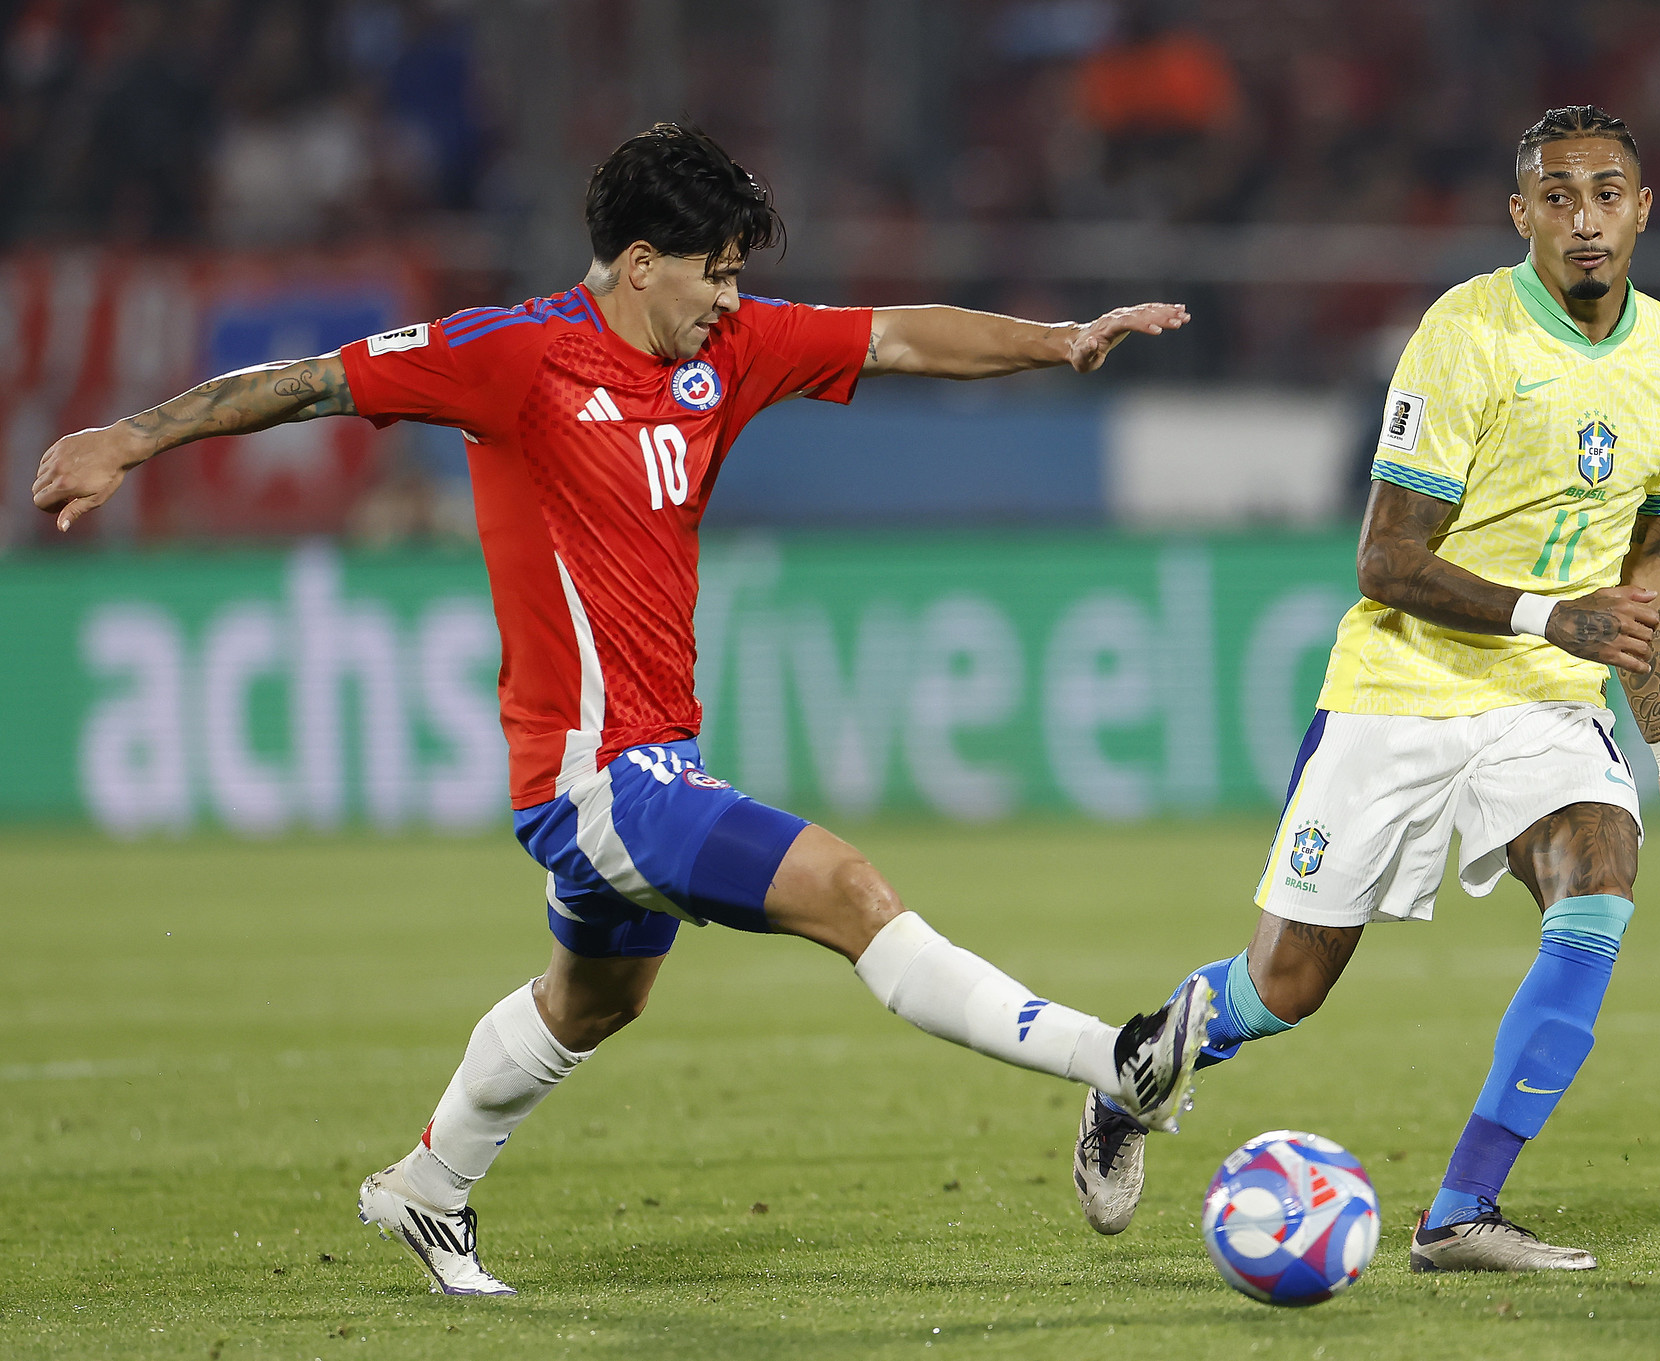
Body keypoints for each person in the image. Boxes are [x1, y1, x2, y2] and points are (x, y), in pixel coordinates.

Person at [32, 120, 1212, 1297]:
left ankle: (428, 1186)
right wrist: (129, 438)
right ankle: (1113, 1061)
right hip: (595, 775)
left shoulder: (728, 349)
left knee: (594, 999)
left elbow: (894, 333)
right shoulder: (512, 354)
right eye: (716, 271)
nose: (731, 297)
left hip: (656, 757)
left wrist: (1058, 340)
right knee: (849, 891)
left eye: (738, 273)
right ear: (641, 263)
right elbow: (311, 383)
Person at [1071, 105, 1660, 1272]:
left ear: (1643, 209)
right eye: (1557, 197)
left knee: (1598, 883)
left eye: (1606, 194)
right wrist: (1553, 613)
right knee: (1284, 986)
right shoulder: (1465, 332)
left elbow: (1642, 563)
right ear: (1520, 213)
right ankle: (1129, 1073)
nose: (1584, 221)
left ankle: (1460, 1210)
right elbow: (1384, 559)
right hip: (1403, 682)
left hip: (1547, 696)